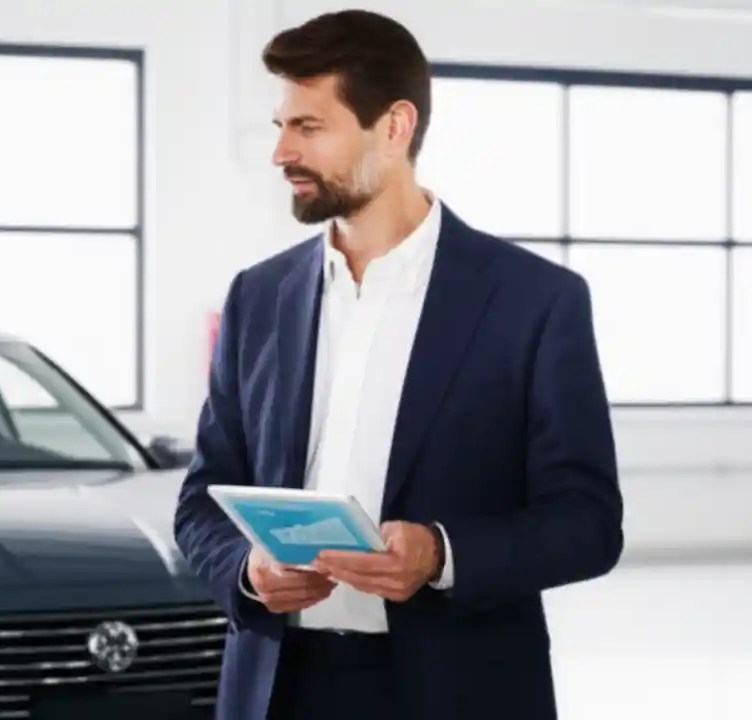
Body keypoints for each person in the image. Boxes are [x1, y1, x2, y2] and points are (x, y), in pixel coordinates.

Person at [173, 9, 623, 719]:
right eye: (281, 126)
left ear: (394, 126)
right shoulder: (256, 297)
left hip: (458, 688)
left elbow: (588, 524)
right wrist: (249, 572)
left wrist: (442, 554)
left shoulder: (534, 301)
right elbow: (201, 501)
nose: (281, 152)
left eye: (309, 128)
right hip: (278, 690)